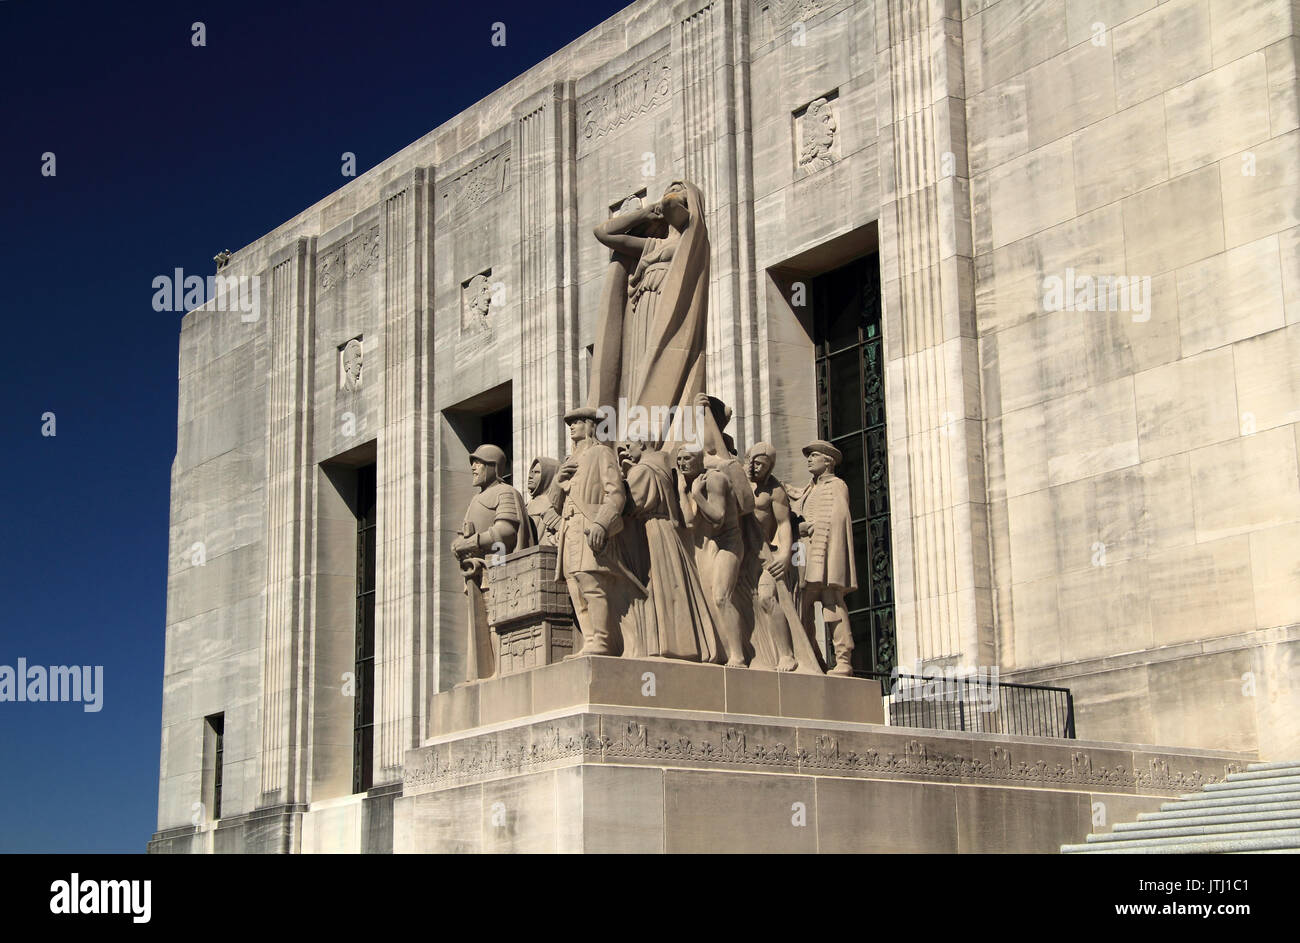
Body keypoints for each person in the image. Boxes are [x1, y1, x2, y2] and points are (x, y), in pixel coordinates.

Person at [619, 439, 720, 662]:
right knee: (671, 585)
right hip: (667, 530)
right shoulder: (664, 466)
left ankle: (666, 645)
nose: (626, 450)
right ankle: (682, 644)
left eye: (629, 446)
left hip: (651, 530)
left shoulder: (643, 470)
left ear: (642, 444)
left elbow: (631, 503)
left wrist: (617, 483)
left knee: (658, 585)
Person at [550, 407, 637, 657]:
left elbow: (616, 494)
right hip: (569, 529)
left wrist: (602, 523)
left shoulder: (601, 452)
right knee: (574, 584)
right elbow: (555, 504)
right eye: (569, 423)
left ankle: (602, 639)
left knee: (591, 582)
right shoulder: (568, 462)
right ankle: (589, 639)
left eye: (577, 422)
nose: (572, 427)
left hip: (590, 526)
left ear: (590, 425)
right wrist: (557, 482)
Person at [449, 444, 531, 681]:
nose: (474, 467)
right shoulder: (476, 499)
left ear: (493, 467)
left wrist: (474, 542)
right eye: (473, 463)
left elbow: (506, 530)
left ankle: (501, 671)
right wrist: (459, 544)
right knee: (481, 623)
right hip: (476, 571)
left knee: (497, 620)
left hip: (498, 568)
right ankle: (484, 671)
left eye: (479, 462)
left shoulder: (505, 493)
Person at [792, 440, 857, 677]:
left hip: (825, 554)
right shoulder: (809, 488)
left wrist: (815, 529)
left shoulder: (836, 485)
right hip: (806, 555)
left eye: (814, 456)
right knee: (803, 608)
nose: (809, 459)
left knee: (832, 604)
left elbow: (838, 519)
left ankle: (843, 660)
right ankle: (813, 659)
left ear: (827, 461)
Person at [525, 456, 560, 546]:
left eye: (536, 472)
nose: (530, 476)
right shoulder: (526, 506)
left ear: (549, 475)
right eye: (531, 472)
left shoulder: (555, 506)